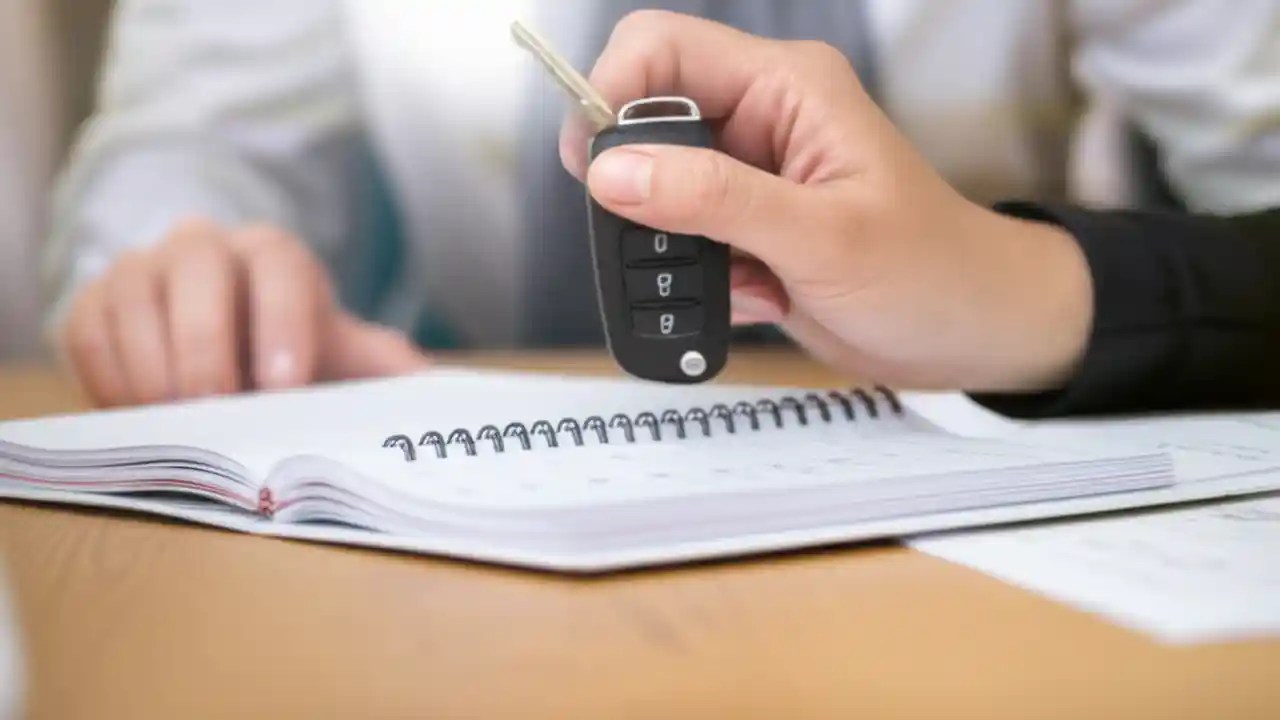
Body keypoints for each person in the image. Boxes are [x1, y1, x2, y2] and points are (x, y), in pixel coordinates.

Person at [41, 1, 1280, 413]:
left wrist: (1020, 281)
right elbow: (194, 138)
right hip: (482, 503)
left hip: (972, 456)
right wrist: (178, 275)